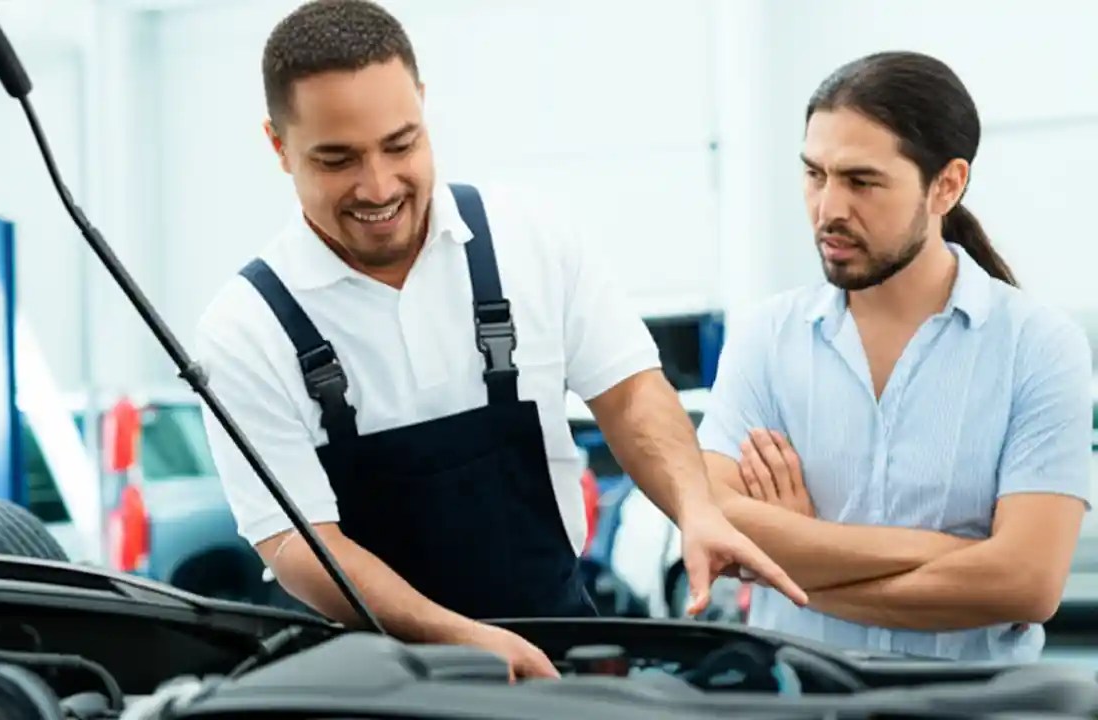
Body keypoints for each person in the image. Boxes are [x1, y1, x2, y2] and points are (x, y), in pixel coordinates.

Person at [193, 0, 806, 680]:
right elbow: (299, 545)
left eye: (401, 143)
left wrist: (694, 506)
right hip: (378, 683)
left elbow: (630, 393)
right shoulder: (244, 330)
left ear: (424, 105)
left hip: (563, 658)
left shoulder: (530, 238)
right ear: (279, 146)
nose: (378, 185)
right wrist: (462, 640)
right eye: (337, 159)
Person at [696, 50, 1092, 662]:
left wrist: (797, 554)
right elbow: (714, 528)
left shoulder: (1037, 347)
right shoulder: (764, 339)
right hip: (801, 706)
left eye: (861, 181)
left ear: (947, 185)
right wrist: (946, 553)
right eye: (814, 174)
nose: (828, 208)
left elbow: (1026, 583)